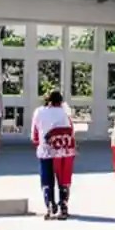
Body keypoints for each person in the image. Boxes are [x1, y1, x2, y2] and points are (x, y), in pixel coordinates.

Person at [31, 90, 77, 220]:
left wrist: (40, 143)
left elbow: (34, 135)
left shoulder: (39, 112)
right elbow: (71, 131)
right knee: (64, 180)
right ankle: (63, 206)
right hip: (64, 152)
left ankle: (50, 206)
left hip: (46, 151)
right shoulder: (65, 112)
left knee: (47, 179)